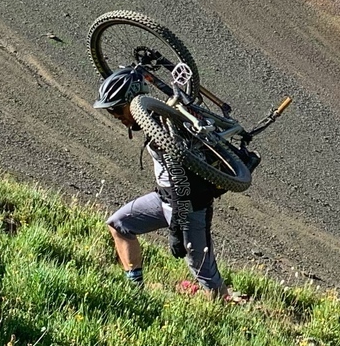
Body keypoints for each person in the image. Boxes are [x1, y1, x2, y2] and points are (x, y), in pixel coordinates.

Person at [94, 67, 239, 301]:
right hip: (164, 199)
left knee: (204, 273)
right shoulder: (153, 117)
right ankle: (135, 292)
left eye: (118, 109)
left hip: (189, 206)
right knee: (119, 224)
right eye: (111, 112)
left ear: (133, 102)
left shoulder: (164, 127)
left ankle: (224, 310)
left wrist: (175, 230)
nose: (116, 116)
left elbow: (180, 180)